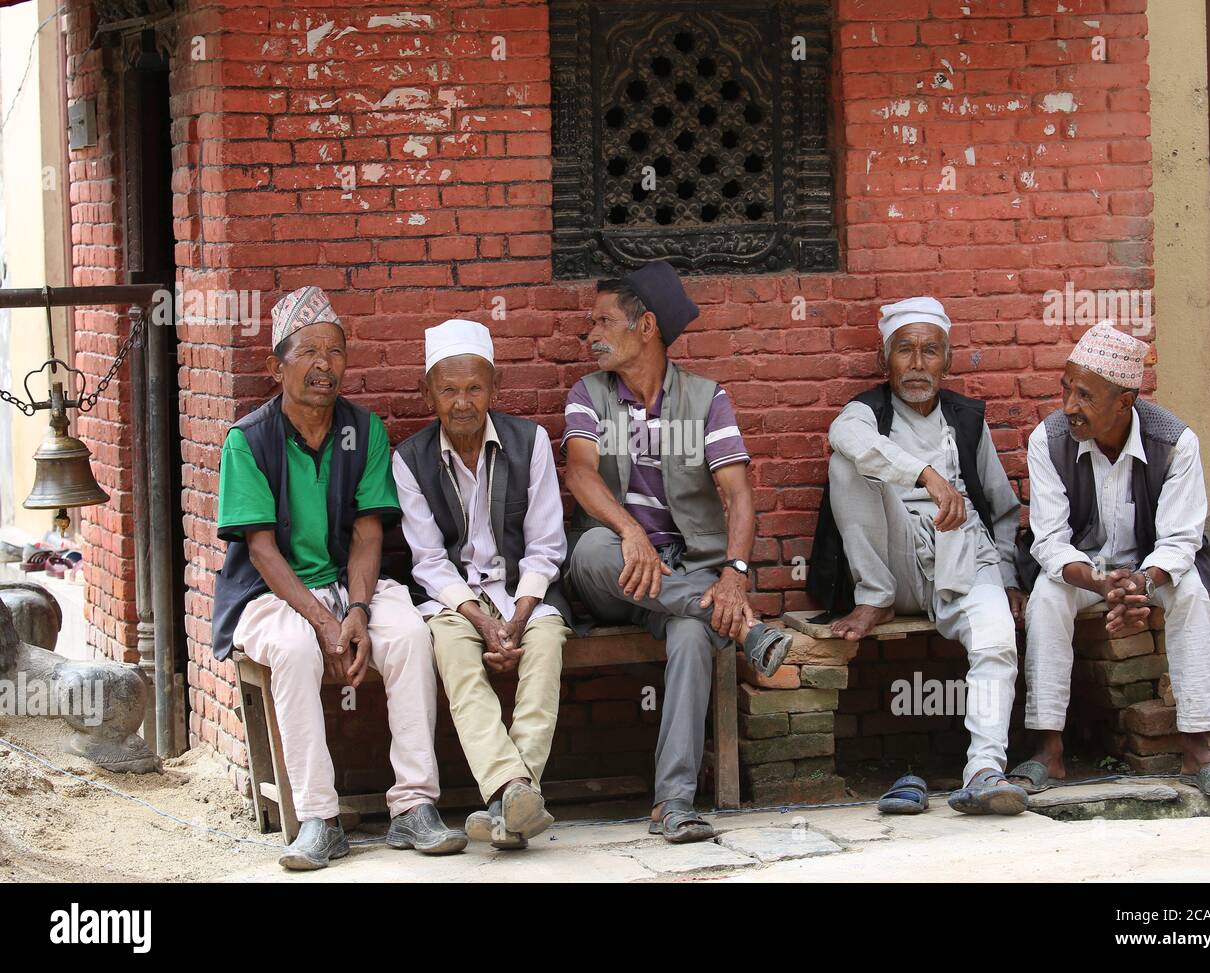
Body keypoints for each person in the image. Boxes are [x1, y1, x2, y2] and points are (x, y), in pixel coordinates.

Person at [213, 285, 465, 871]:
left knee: (407, 634)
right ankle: (319, 819)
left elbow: (368, 533)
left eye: (335, 352)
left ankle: (413, 807)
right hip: (272, 593)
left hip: (350, 587)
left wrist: (355, 611)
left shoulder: (364, 430)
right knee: (298, 649)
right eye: (308, 352)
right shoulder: (247, 440)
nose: (324, 365)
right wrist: (327, 624)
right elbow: (263, 551)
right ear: (276, 364)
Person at [562, 260, 792, 843]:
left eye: (602, 321)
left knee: (693, 633)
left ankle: (674, 803)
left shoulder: (707, 399)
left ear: (646, 328)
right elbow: (581, 474)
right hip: (616, 572)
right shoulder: (589, 394)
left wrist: (735, 574)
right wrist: (629, 531)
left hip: (687, 578)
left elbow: (738, 494)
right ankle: (747, 630)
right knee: (591, 549)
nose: (589, 333)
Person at [808, 296, 1029, 815]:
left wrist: (1006, 575)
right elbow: (844, 436)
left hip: (962, 554)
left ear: (947, 361)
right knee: (848, 464)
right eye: (904, 350)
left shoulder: (967, 419)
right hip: (895, 559)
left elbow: (1000, 508)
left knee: (997, 641)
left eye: (930, 351)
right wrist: (925, 476)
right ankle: (875, 597)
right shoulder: (867, 411)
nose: (917, 363)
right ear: (886, 359)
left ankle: (984, 770)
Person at [1009, 321, 1210, 799]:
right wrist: (1102, 584)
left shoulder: (1176, 442)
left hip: (1151, 569)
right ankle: (1047, 748)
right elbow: (1050, 541)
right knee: (1047, 600)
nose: (1069, 407)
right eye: (1066, 390)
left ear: (1124, 402)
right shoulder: (1049, 440)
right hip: (1083, 572)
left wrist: (1138, 581)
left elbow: (1181, 541)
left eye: (1084, 395)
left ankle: (1197, 744)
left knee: (1192, 594)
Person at [393, 319, 572, 850]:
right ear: (429, 394)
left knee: (545, 647)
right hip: (456, 603)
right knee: (453, 654)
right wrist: (482, 621)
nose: (463, 402)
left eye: (474, 387)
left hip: (524, 596)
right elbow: (427, 561)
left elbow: (546, 545)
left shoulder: (530, 441)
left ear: (494, 388)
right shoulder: (409, 460)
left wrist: (515, 619)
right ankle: (515, 792)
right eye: (448, 390)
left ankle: (507, 801)